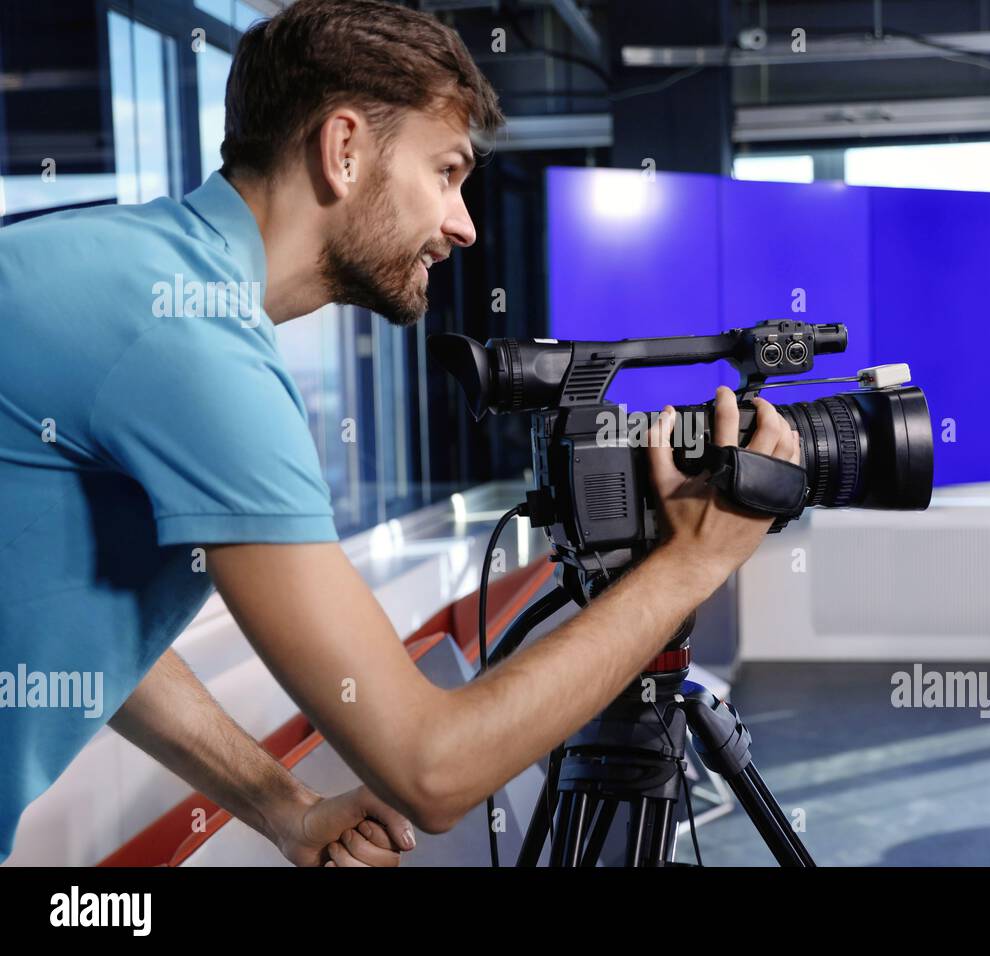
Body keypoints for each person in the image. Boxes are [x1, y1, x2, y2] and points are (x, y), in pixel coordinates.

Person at [0, 0, 800, 866]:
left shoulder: (137, 271)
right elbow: (432, 768)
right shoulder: (191, 345)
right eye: (447, 173)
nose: (465, 225)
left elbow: (83, 623)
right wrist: (695, 560)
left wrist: (283, 807)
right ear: (343, 149)